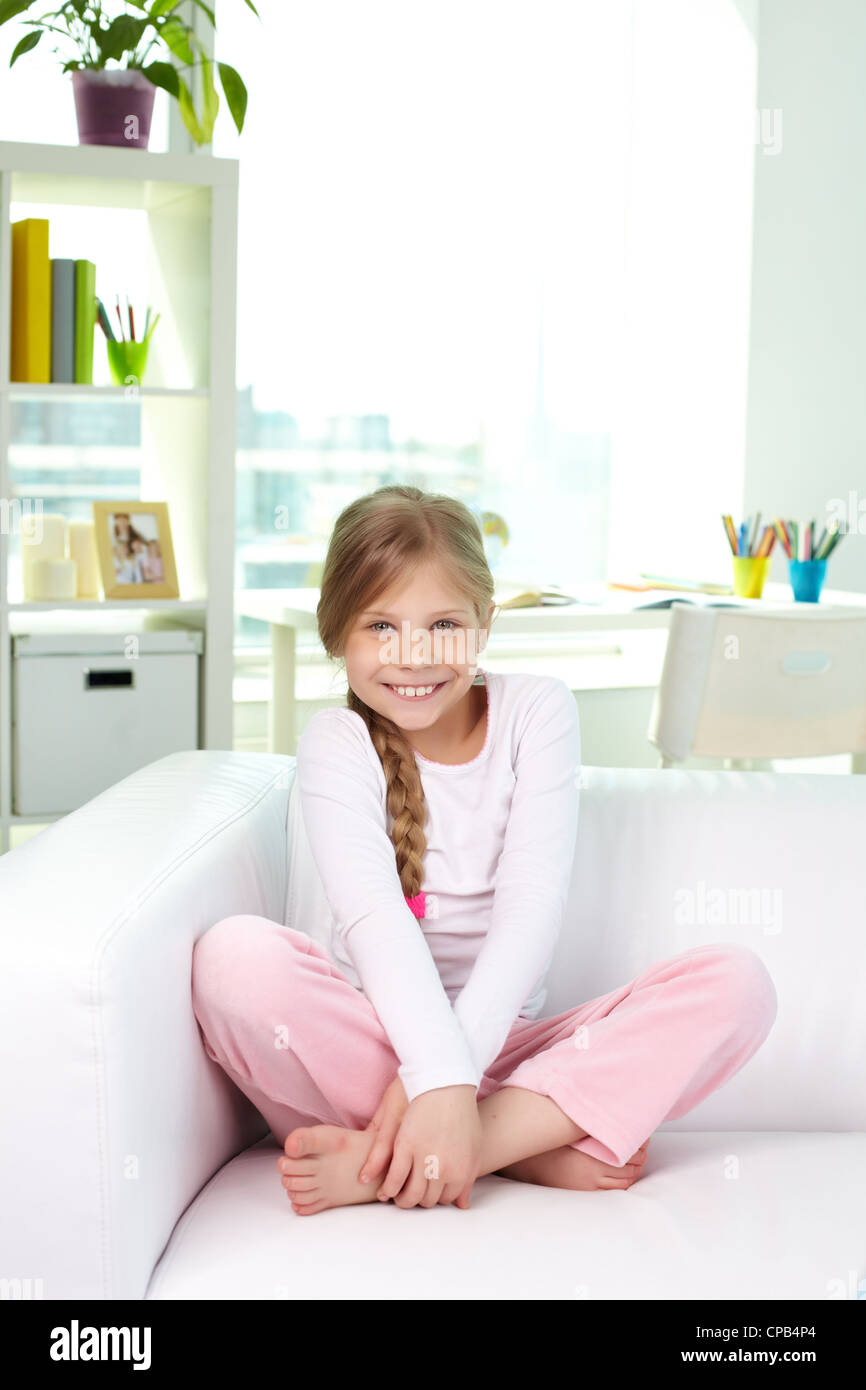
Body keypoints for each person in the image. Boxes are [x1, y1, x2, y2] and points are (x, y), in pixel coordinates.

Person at [191, 485, 777, 1217]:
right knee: (233, 961)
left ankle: (419, 1157)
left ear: (485, 624)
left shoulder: (538, 711)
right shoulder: (336, 743)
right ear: (337, 634)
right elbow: (378, 922)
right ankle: (515, 1143)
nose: (414, 655)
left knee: (737, 985)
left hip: (506, 1048)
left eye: (442, 624)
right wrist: (430, 1072)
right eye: (380, 625)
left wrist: (444, 1079)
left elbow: (531, 911)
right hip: (375, 1043)